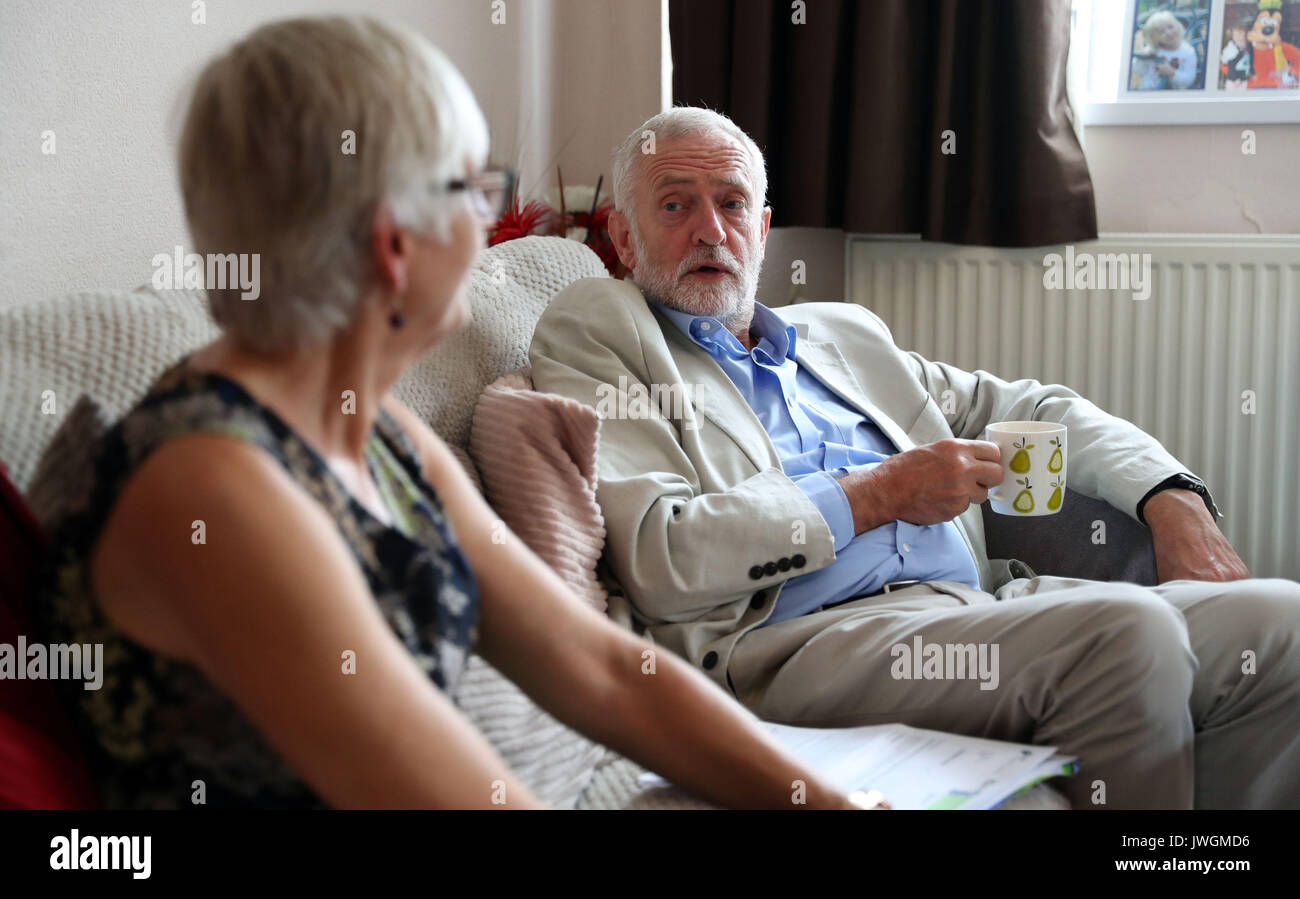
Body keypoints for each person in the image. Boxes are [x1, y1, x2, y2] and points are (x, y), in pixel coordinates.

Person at [35, 17, 874, 811]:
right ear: (396, 241)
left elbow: (602, 668)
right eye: (475, 191)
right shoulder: (214, 491)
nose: (493, 226)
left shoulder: (375, 431)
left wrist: (823, 801)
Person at [528, 107, 1300, 809]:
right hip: (798, 643)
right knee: (1131, 633)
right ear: (623, 237)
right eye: (675, 204)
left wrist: (1170, 496)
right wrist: (878, 492)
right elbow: (662, 549)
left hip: (973, 614)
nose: (709, 229)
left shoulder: (841, 336)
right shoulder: (604, 331)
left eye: (730, 204)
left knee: (1281, 621)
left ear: (761, 230)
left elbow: (1034, 406)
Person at [1134, 10, 1199, 90]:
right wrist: (1141, 58)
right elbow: (1139, 70)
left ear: (1178, 26)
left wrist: (1172, 73)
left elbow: (1189, 80)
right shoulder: (1154, 50)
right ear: (1154, 38)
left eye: (1170, 27)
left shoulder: (1188, 52)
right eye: (1161, 32)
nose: (1168, 32)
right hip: (1148, 92)